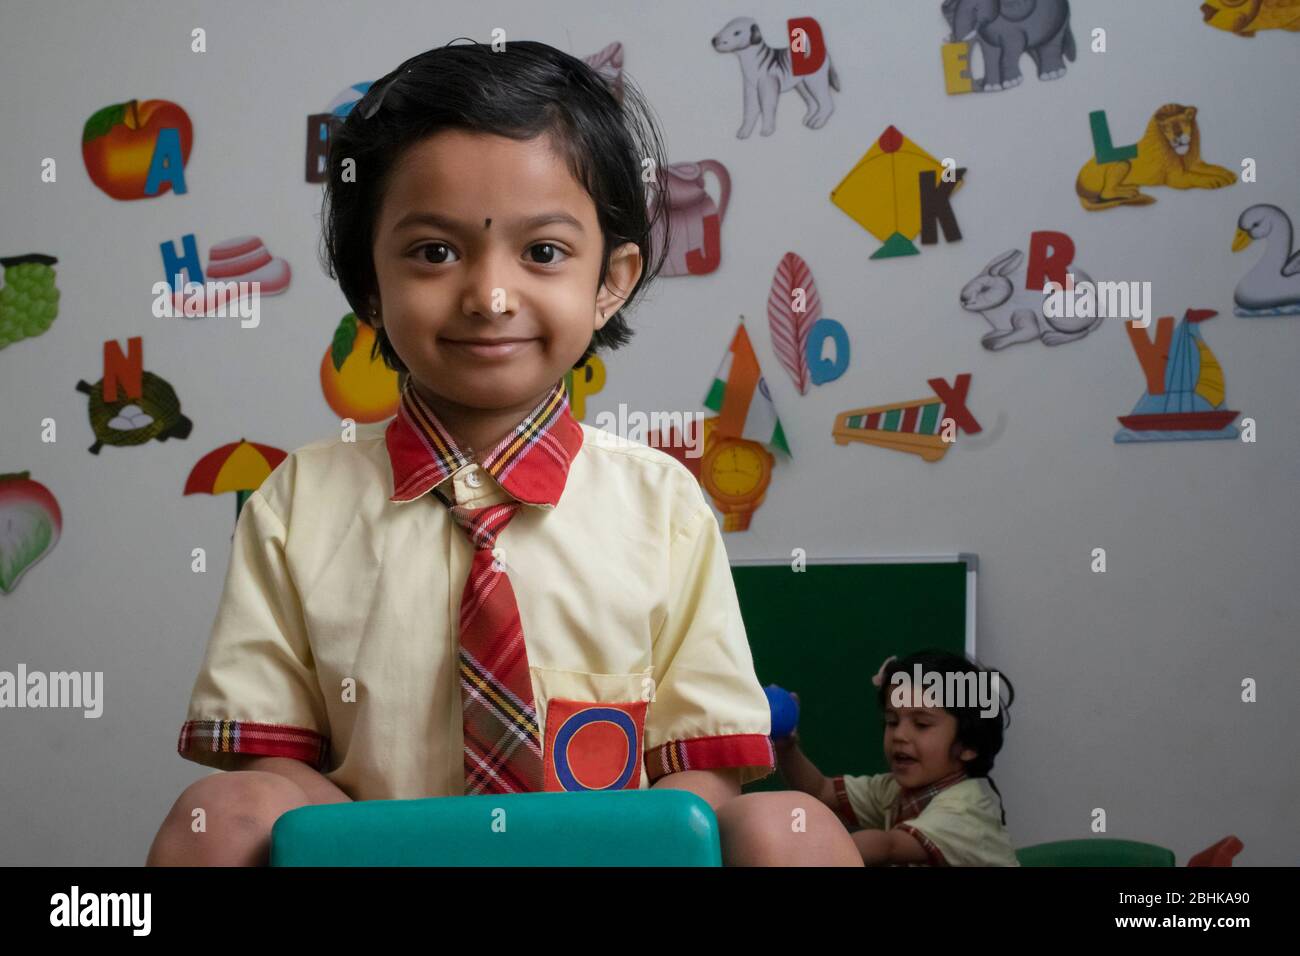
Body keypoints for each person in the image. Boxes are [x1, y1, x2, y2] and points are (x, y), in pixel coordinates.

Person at [146, 40, 775, 866]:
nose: (490, 296)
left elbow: (703, 767)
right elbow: (269, 760)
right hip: (373, 854)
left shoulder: (663, 505)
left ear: (611, 280)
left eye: (543, 252)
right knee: (217, 813)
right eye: (435, 252)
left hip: (609, 855)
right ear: (369, 284)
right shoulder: (299, 499)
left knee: (786, 827)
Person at [717, 649, 1018, 866]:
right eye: (892, 721)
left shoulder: (968, 808)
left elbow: (886, 847)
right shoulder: (893, 790)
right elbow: (819, 791)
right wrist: (786, 747)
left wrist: (803, 855)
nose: (900, 734)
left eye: (922, 724)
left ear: (969, 744)